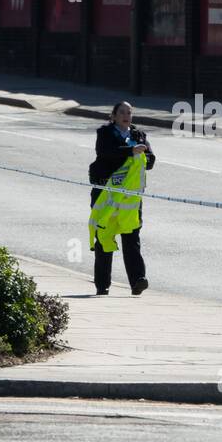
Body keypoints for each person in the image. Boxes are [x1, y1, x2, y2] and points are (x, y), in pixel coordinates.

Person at [88, 101, 154, 296]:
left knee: (131, 237)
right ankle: (102, 285)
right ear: (114, 116)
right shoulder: (105, 134)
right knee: (104, 236)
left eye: (129, 112)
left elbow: (150, 160)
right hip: (106, 194)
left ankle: (137, 281)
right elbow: (105, 153)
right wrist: (129, 152)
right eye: (122, 112)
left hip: (129, 198)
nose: (126, 116)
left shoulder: (138, 135)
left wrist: (145, 157)